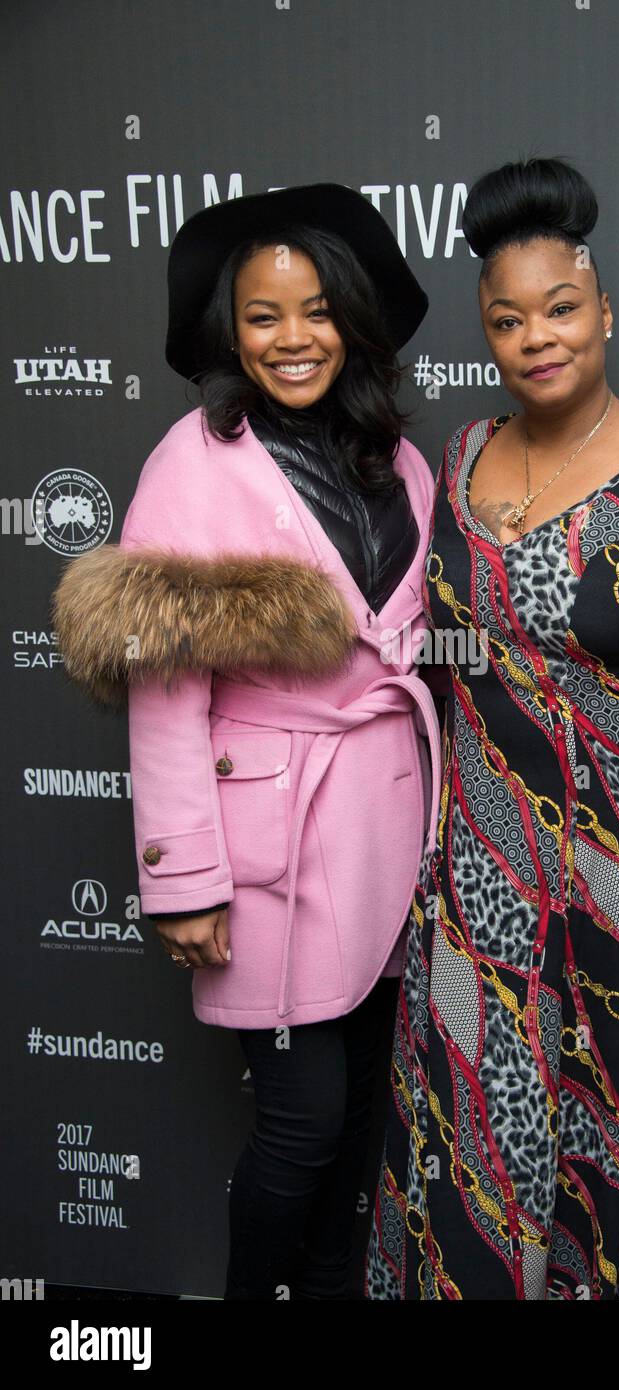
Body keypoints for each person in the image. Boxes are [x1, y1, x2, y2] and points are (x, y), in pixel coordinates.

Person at [365, 156, 619, 1300]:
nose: (538, 337)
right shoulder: (458, 462)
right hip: (483, 870)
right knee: (472, 1146)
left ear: (603, 310)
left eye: (560, 309)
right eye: (509, 319)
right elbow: (454, 645)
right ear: (487, 333)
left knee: (604, 1160)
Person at [51, 183, 441, 1300]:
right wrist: (179, 879)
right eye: (264, 316)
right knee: (302, 1122)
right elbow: (162, 690)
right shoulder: (194, 458)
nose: (293, 338)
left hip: (389, 829)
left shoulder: (396, 457)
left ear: (352, 318)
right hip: (268, 840)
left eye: (316, 310)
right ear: (231, 331)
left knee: (364, 1114)